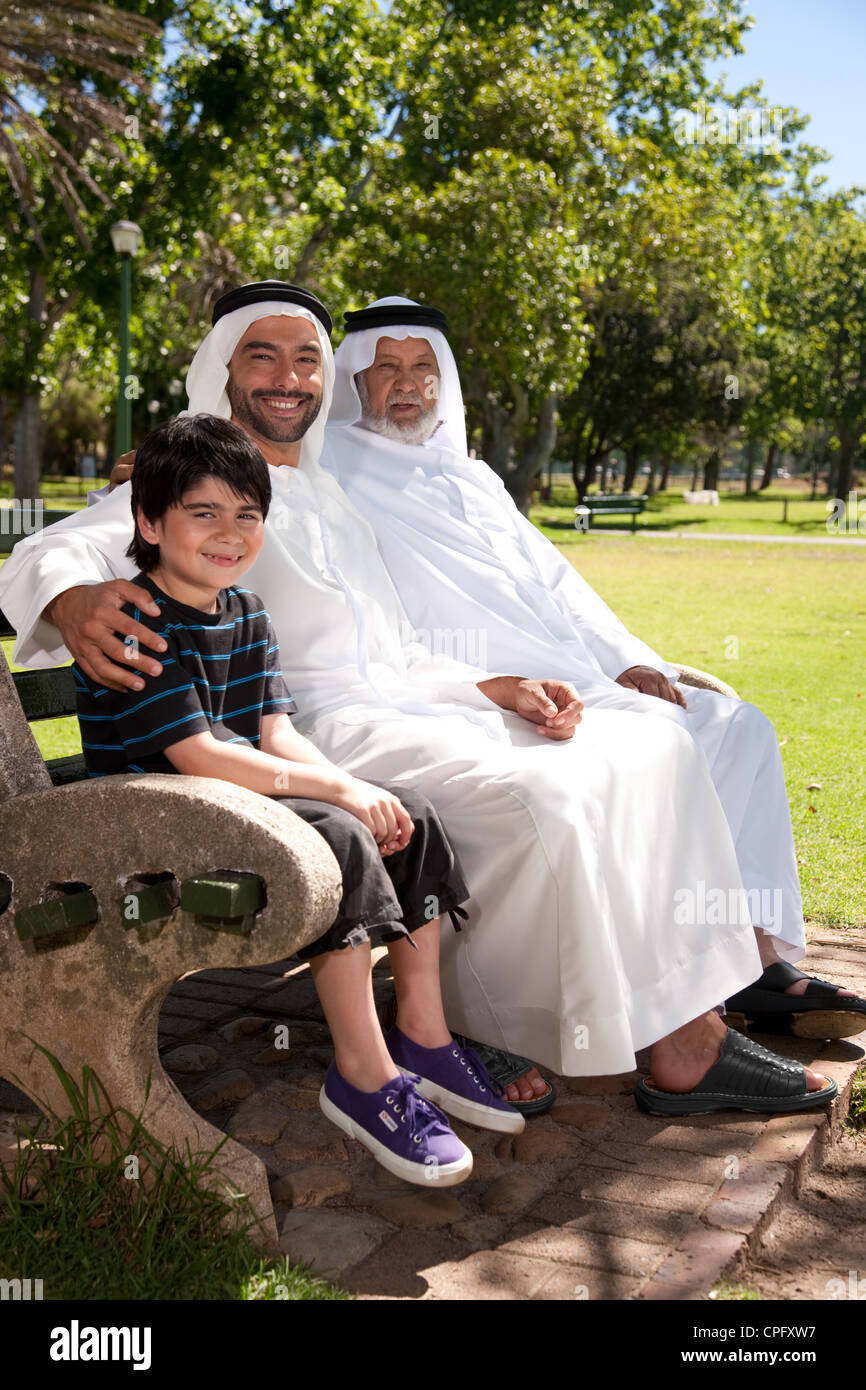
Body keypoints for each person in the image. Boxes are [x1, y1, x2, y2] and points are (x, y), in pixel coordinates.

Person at [0, 281, 838, 1119]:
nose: (288, 377)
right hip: (310, 734)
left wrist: (497, 687)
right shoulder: (199, 487)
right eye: (263, 354)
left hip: (405, 708)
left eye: (305, 359)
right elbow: (52, 547)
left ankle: (687, 1029)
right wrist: (73, 601)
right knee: (543, 797)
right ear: (224, 366)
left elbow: (398, 653)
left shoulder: (329, 495)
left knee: (650, 747)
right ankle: (492, 1023)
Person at [321, 295, 866, 1043]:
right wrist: (135, 474)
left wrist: (629, 660)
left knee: (735, 728)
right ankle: (690, 989)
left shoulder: (472, 475)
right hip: (480, 691)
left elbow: (557, 584)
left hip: (577, 673)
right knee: (656, 745)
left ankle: (750, 955)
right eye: (387, 369)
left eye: (423, 368)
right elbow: (233, 463)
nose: (408, 384)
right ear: (355, 379)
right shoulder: (332, 466)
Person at [74, 411, 528, 1184]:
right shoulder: (138, 621)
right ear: (148, 521)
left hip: (225, 806)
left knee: (409, 812)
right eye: (203, 513)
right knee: (339, 835)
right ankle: (362, 1074)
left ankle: (421, 1033)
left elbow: (275, 735)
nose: (230, 532)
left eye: (247, 515)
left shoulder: (246, 613)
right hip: (148, 826)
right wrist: (340, 797)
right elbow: (200, 754)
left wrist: (354, 789)